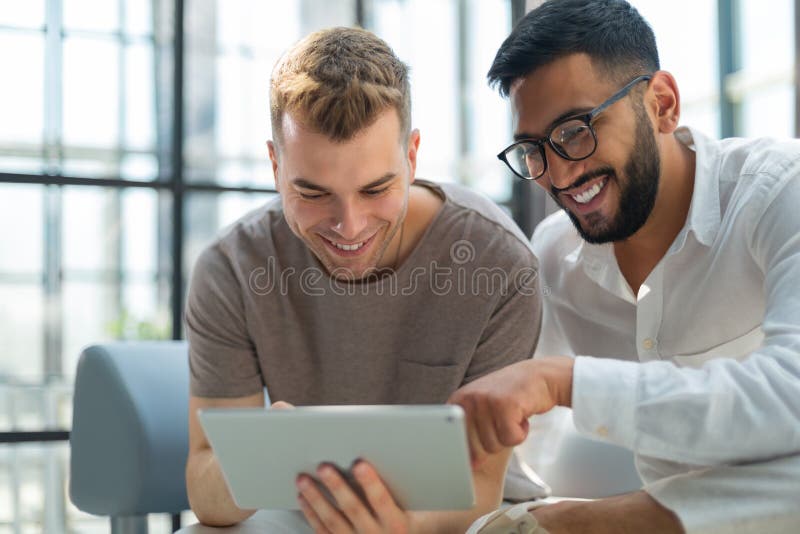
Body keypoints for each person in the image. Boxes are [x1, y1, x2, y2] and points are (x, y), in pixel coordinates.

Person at [450, 0, 800, 532]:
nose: (561, 174)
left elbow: (791, 397)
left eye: (574, 130)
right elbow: (523, 439)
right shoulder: (554, 258)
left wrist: (567, 383)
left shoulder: (779, 191)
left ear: (662, 103)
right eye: (533, 148)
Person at [184, 27, 544, 533]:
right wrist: (255, 458)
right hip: (300, 508)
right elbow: (204, 482)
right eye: (312, 193)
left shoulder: (499, 266)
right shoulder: (231, 268)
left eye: (376, 189)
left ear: (413, 157)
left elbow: (480, 490)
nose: (348, 226)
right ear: (274, 165)